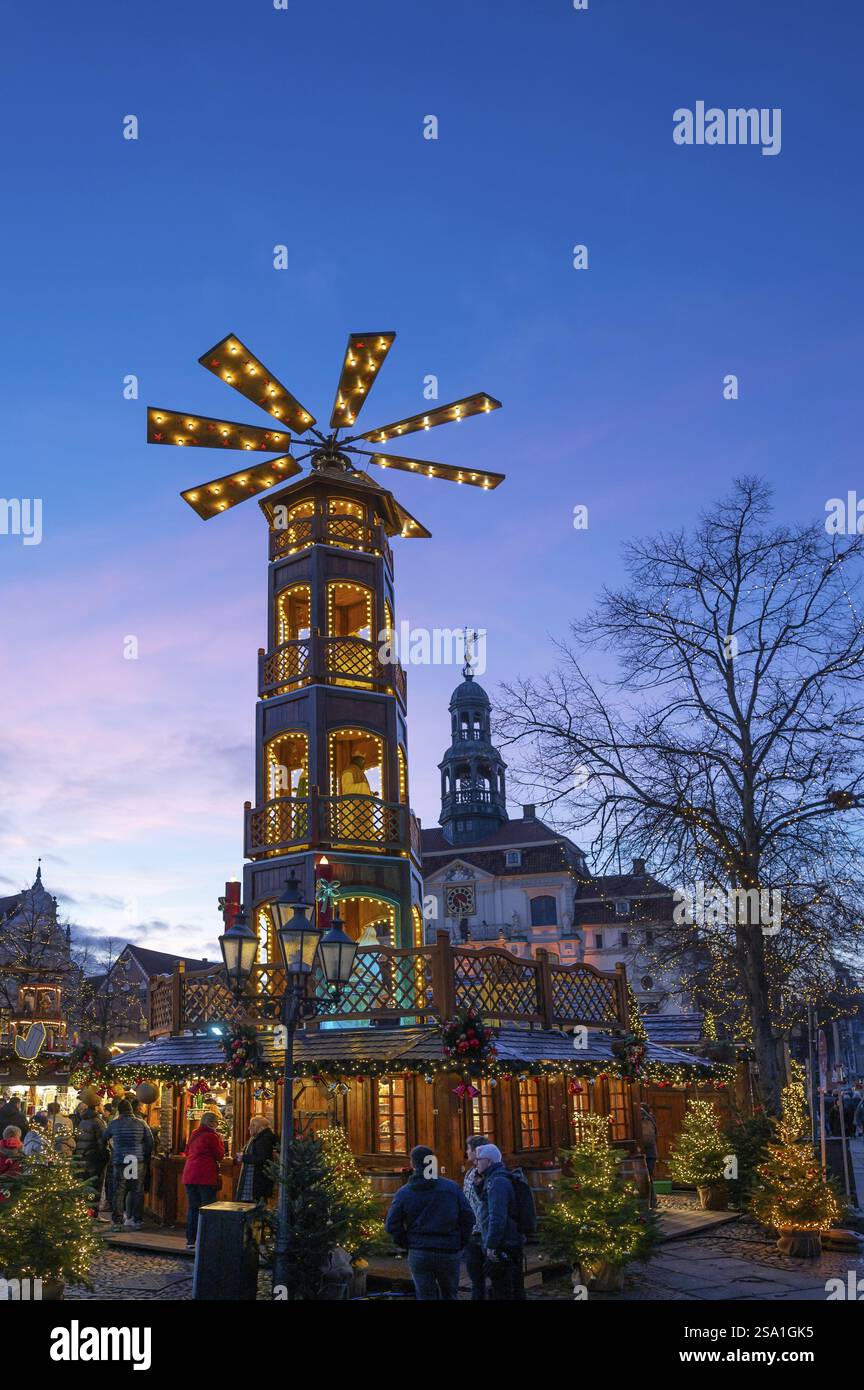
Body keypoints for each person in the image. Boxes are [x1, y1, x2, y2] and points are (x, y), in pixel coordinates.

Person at [385, 1144, 474, 1300]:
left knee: (425, 1295)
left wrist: (407, 1243)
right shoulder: (451, 1188)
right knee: (450, 1294)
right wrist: (460, 1241)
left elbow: (392, 1224)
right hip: (448, 1249)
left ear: (413, 1164)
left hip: (420, 1251)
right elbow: (468, 1217)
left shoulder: (404, 1192)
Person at [474, 1143, 527, 1301]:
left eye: (478, 1159)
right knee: (511, 1287)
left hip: (504, 1244)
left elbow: (497, 1217)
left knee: (503, 1289)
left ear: (489, 1162)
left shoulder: (497, 1182)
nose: (475, 1162)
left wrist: (491, 1245)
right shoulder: (495, 1178)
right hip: (509, 1241)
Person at [105, 1099, 154, 1231]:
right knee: (137, 1190)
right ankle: (137, 1220)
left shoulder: (114, 1124)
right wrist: (145, 1155)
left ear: (119, 1111)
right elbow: (150, 1142)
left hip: (120, 1159)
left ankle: (117, 1222)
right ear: (131, 1110)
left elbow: (104, 1137)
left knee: (119, 1191)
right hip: (136, 1160)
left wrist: (111, 1151)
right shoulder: (141, 1123)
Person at [181, 1111, 225, 1249]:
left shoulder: (194, 1133)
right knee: (208, 1208)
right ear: (211, 1123)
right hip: (205, 1176)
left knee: (193, 1208)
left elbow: (187, 1151)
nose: (217, 1125)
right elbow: (220, 1155)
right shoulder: (212, 1136)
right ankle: (207, 1239)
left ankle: (190, 1240)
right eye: (216, 1123)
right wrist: (221, 1141)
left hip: (190, 1174)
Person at [462, 1134, 489, 1299]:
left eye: (468, 1148)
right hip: (473, 1232)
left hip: (482, 1232)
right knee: (476, 1280)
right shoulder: (471, 1172)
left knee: (484, 1279)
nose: (466, 1152)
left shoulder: (483, 1175)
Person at [235, 1115, 276, 1202]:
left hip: (259, 1178)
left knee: (256, 1203)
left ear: (259, 1127)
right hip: (259, 1176)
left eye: (252, 1125)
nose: (249, 1128)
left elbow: (261, 1158)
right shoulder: (260, 1137)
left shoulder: (264, 1139)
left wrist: (244, 1157)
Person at [640, 1101, 659, 1206]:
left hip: (643, 1151)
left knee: (643, 1178)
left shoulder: (638, 1118)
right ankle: (653, 1201)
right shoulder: (652, 1119)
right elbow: (656, 1135)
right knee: (650, 1177)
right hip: (652, 1152)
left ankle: (647, 1202)